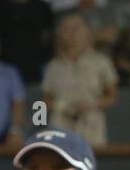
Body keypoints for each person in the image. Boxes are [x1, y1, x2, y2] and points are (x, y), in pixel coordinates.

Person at [42, 14, 118, 148]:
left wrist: (92, 104)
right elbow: (44, 101)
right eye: (66, 29)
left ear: (87, 32)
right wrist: (63, 106)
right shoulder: (53, 66)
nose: (71, 33)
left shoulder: (101, 62)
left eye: (75, 28)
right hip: (61, 125)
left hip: (91, 125)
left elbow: (113, 96)